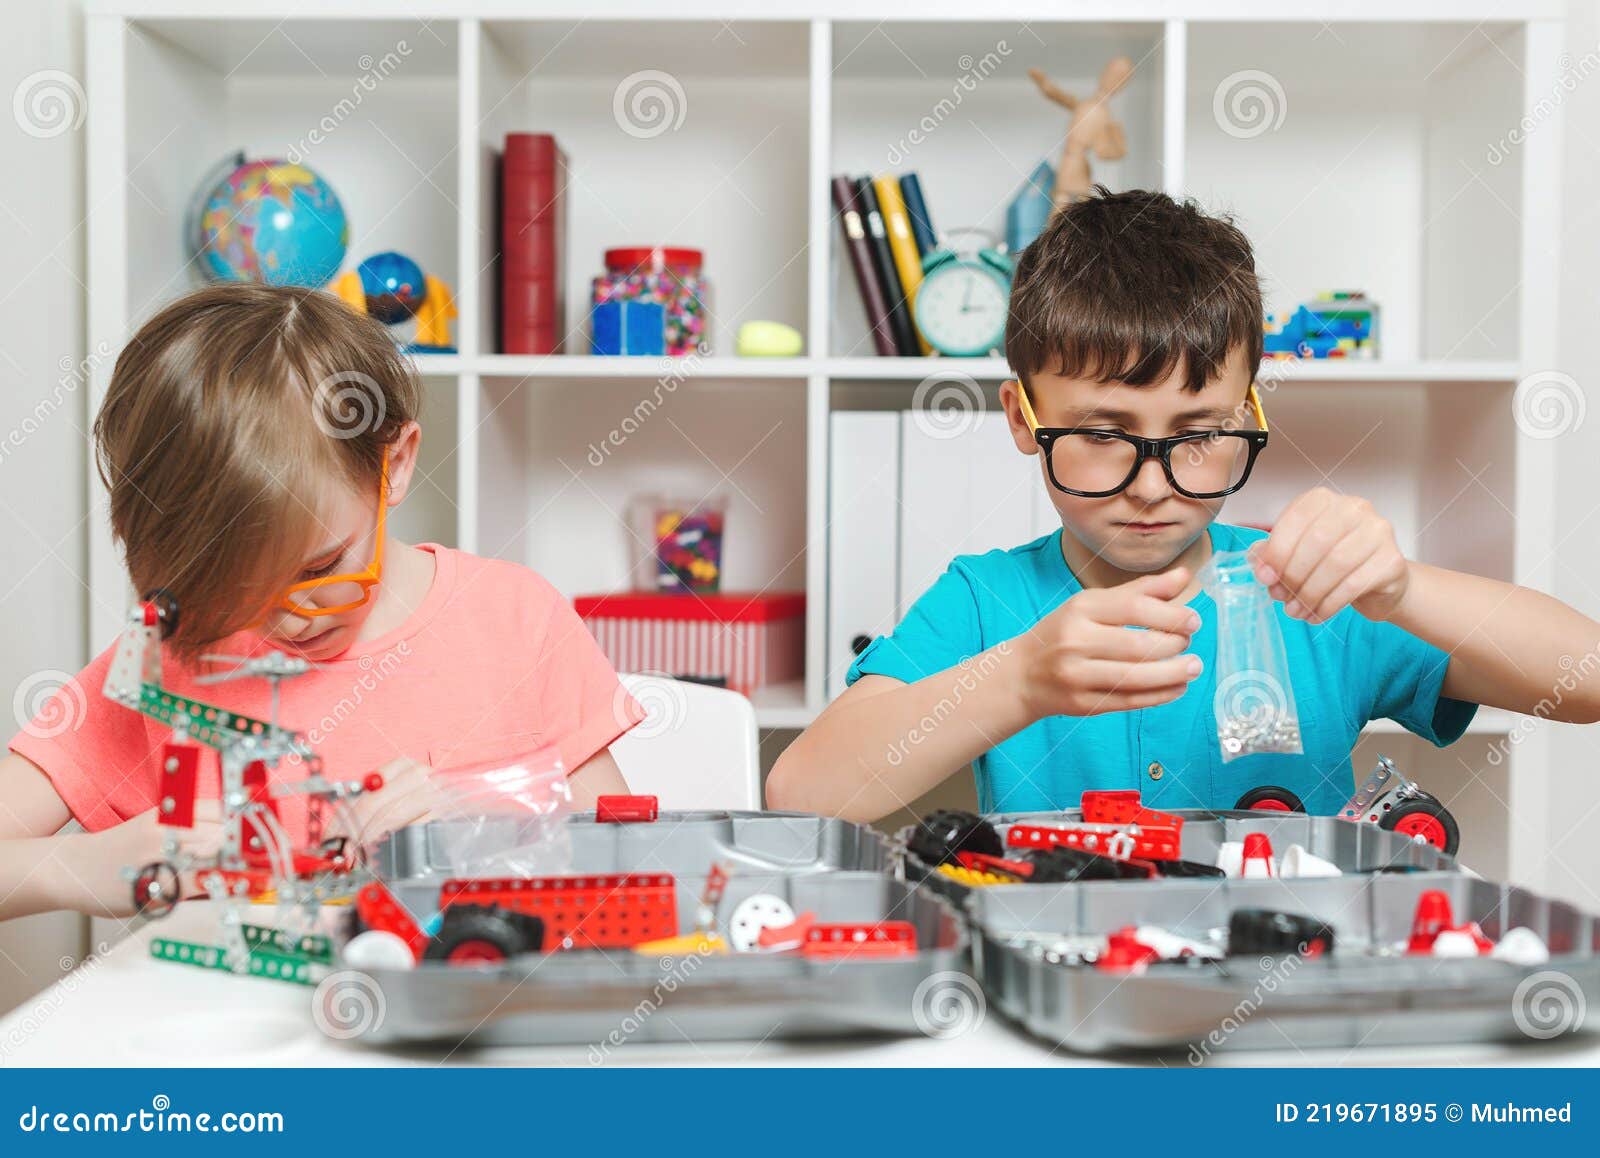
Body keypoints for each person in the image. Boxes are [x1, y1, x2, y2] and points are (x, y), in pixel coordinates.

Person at [768, 188, 1600, 823]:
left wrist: (1404, 589)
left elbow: (1588, 681)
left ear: (1250, 416)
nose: (1153, 484)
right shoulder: (990, 603)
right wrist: (1016, 681)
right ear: (1024, 420)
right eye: (1103, 432)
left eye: (1198, 434)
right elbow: (804, 794)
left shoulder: (1312, 590)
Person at [1, 284, 642, 919]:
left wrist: (479, 824)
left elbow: (629, 862)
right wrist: (84, 866)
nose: (283, 618)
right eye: (236, 588)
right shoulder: (168, 661)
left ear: (394, 463)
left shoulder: (515, 620)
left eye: (318, 566)